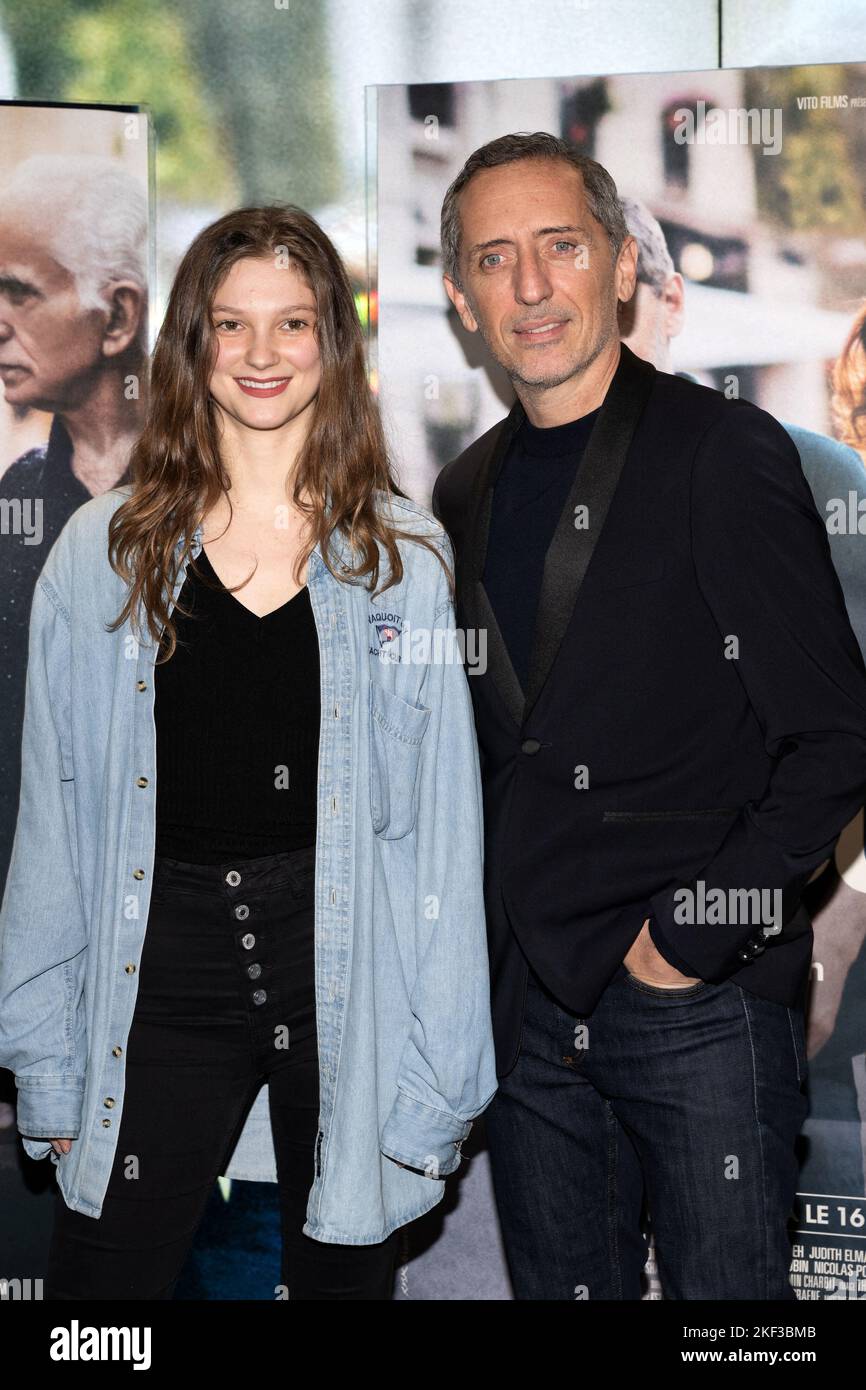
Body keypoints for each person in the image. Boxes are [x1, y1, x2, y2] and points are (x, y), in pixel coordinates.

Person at [0, 204, 497, 1300]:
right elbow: (57, 820)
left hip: (343, 958)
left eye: (292, 323)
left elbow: (438, 839)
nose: (263, 355)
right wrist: (49, 1072)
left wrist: (436, 1084)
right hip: (159, 962)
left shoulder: (400, 555)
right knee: (100, 1304)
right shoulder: (103, 550)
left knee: (340, 1279)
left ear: (332, 341)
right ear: (193, 343)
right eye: (232, 325)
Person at [432, 131, 866, 1300]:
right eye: (493, 257)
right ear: (458, 295)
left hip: (698, 1009)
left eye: (559, 246)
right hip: (528, 1018)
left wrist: (682, 942)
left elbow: (833, 737)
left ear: (621, 265)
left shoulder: (721, 451)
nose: (529, 286)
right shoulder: (460, 490)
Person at [0, 154, 148, 893]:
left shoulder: (217, 491)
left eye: (19, 293)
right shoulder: (14, 500)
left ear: (117, 315)